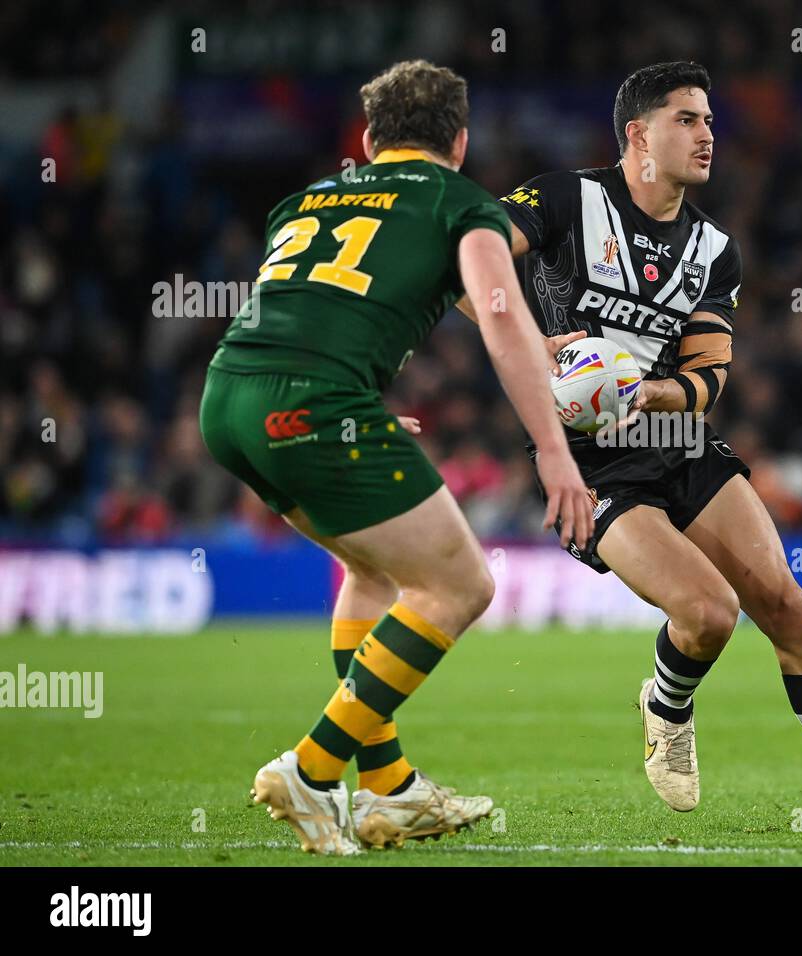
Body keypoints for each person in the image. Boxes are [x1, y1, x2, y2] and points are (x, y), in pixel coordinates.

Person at [458, 61, 802, 831]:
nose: (708, 133)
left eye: (710, 120)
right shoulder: (562, 199)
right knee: (709, 613)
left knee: (783, 600)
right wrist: (531, 342)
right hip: (590, 461)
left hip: (678, 438)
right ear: (638, 135)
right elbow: (469, 260)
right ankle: (666, 703)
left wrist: (653, 392)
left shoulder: (715, 251)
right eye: (688, 119)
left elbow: (709, 375)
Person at [199, 60, 593, 855]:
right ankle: (311, 771)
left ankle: (391, 792)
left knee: (376, 575)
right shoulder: (461, 202)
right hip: (312, 405)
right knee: (461, 584)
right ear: (461, 140)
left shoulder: (303, 202)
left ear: (371, 139)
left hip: (228, 401)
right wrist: (554, 450)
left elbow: (318, 310)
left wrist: (349, 414)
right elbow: (498, 317)